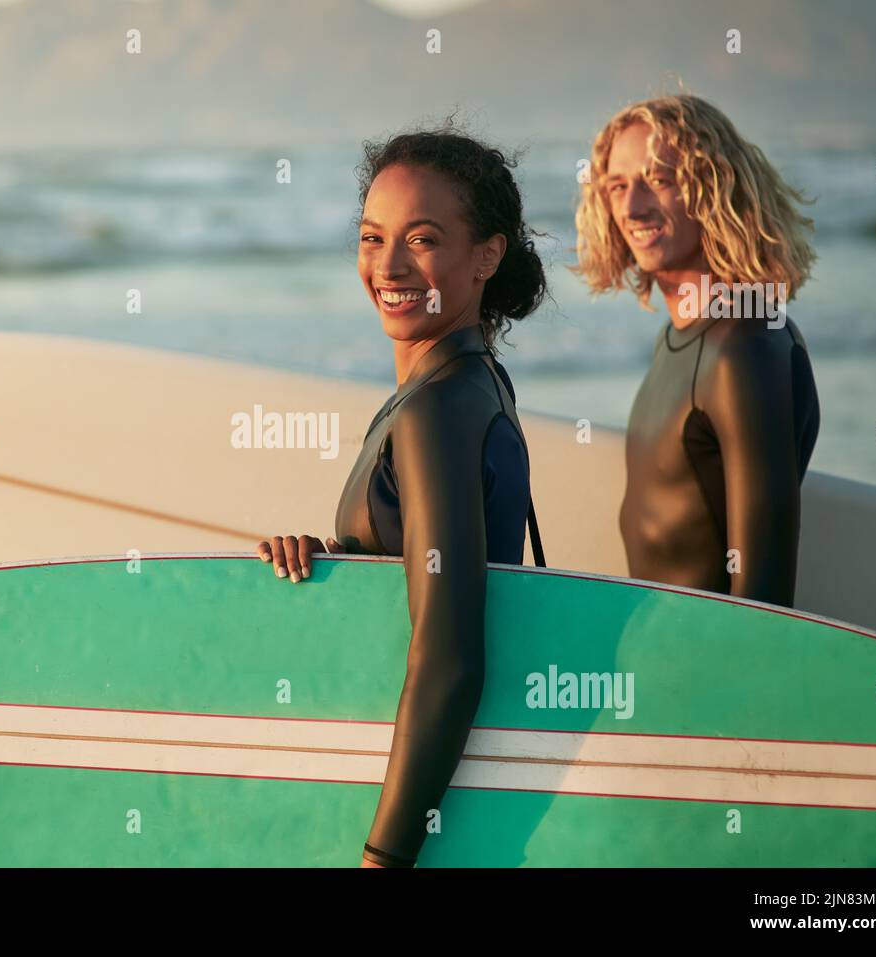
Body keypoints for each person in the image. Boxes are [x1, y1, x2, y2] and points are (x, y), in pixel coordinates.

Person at [257, 123, 547, 867]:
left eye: (420, 239)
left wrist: (384, 857)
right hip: (431, 781)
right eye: (371, 237)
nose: (388, 265)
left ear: (486, 255)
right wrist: (339, 562)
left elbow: (450, 658)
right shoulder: (469, 383)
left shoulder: (435, 410)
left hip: (421, 804)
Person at [575, 95, 820, 606]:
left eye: (659, 180)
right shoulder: (682, 338)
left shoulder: (744, 346)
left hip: (702, 673)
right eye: (618, 186)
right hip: (660, 662)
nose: (632, 207)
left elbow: (765, 599)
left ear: (715, 189)